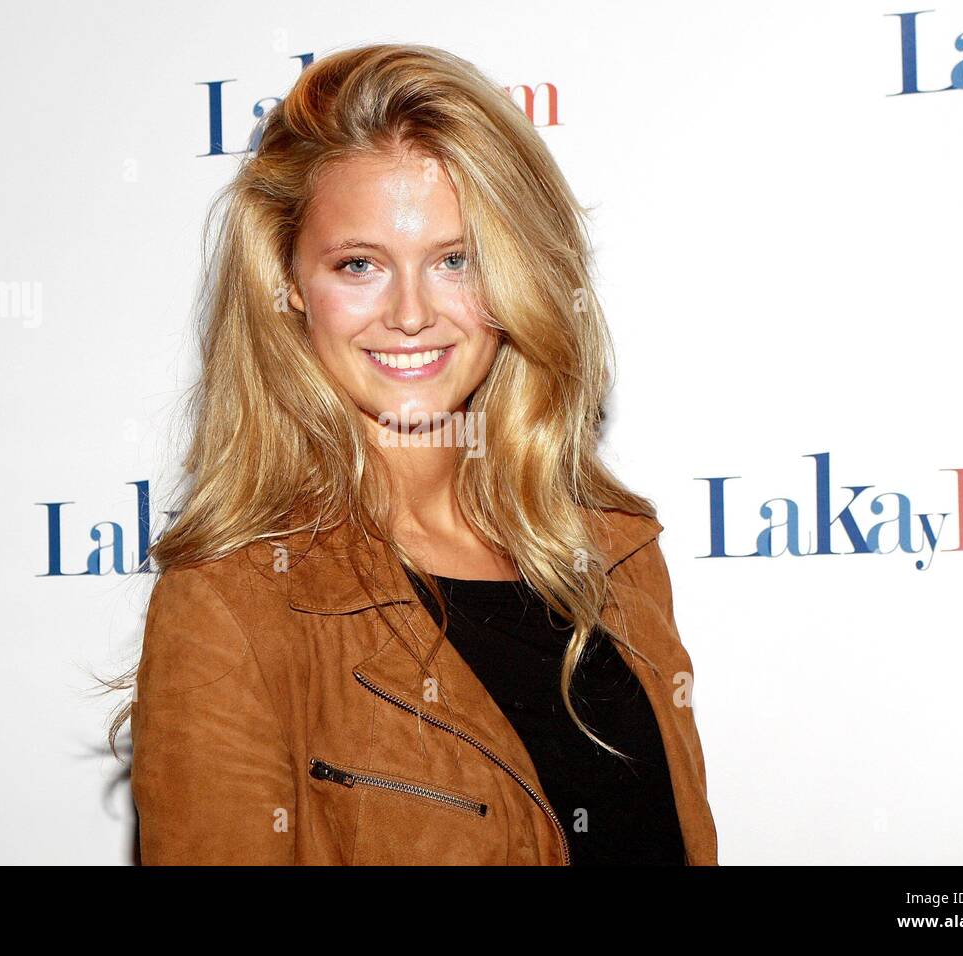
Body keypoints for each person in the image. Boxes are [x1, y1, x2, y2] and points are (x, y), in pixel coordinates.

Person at [106, 42, 719, 866]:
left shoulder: (615, 550)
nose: (409, 314)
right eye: (358, 264)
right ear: (288, 282)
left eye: (455, 261)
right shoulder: (233, 607)